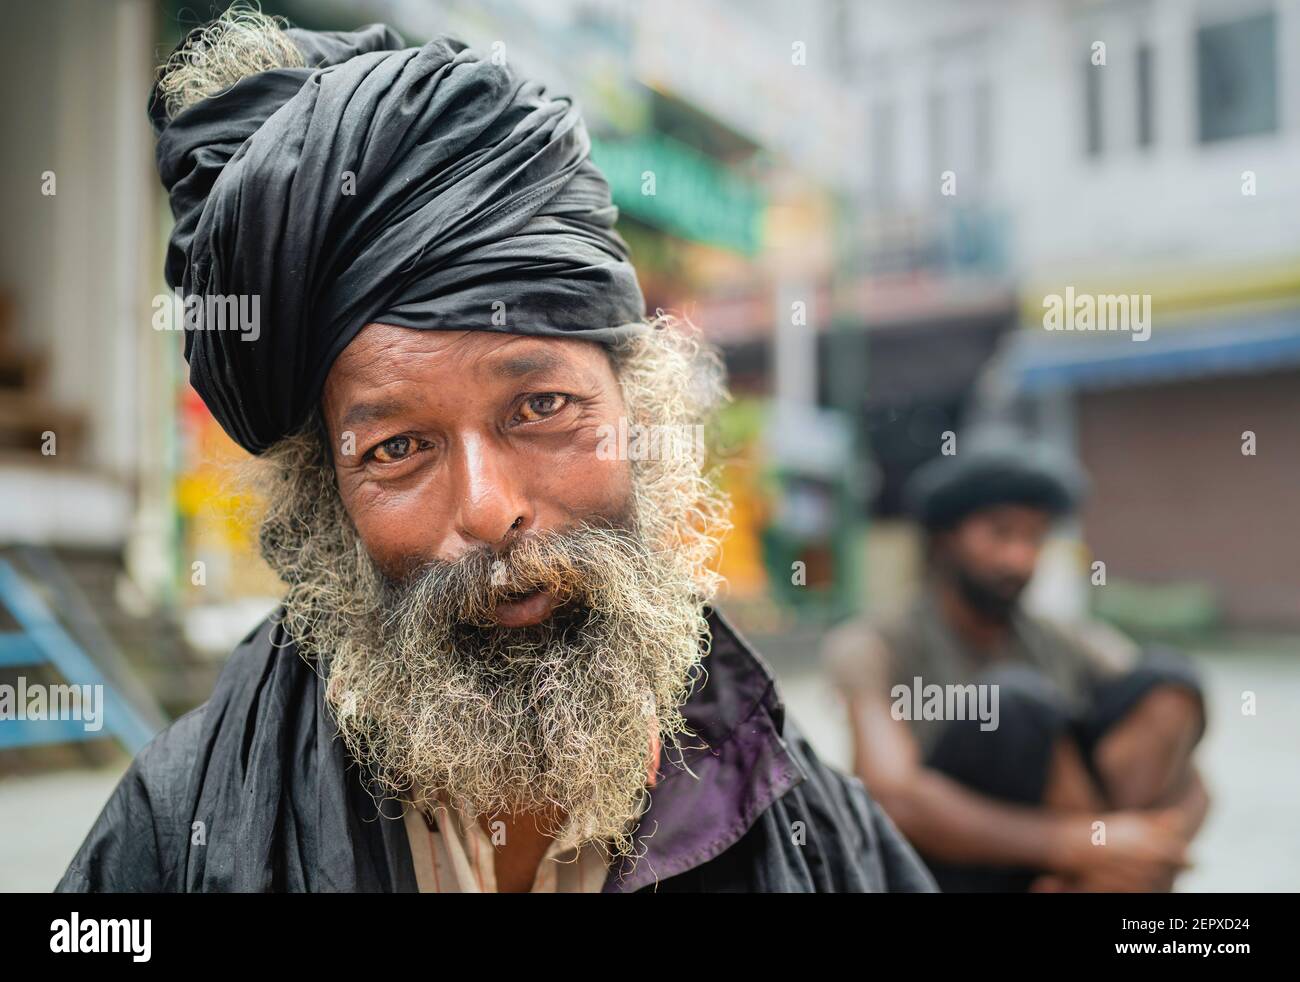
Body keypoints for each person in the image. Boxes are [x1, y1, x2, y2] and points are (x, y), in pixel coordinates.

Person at [55, 8, 934, 894]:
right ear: (327, 500)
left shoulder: (803, 824)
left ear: (639, 410)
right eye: (397, 447)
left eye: (542, 406)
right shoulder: (179, 838)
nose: (486, 507)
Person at [823, 433, 1210, 892]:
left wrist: (1150, 849)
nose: (1020, 557)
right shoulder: (873, 644)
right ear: (946, 539)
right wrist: (1078, 845)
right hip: (942, 874)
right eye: (1000, 533)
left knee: (1169, 682)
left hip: (1064, 875)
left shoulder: (1063, 639)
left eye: (1035, 537)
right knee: (1014, 705)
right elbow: (893, 796)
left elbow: (1189, 776)